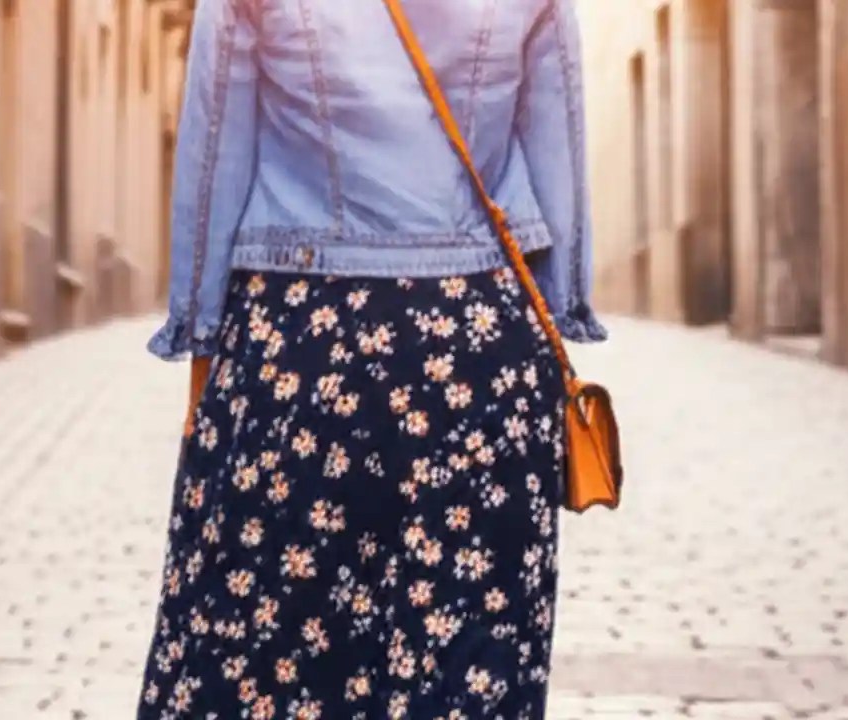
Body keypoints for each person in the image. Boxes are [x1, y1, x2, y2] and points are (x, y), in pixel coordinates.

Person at [138, 0, 604, 716]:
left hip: (299, 349)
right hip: (478, 347)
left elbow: (213, 152)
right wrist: (558, 307)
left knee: (278, 651)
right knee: (467, 655)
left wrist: (201, 342)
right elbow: (555, 147)